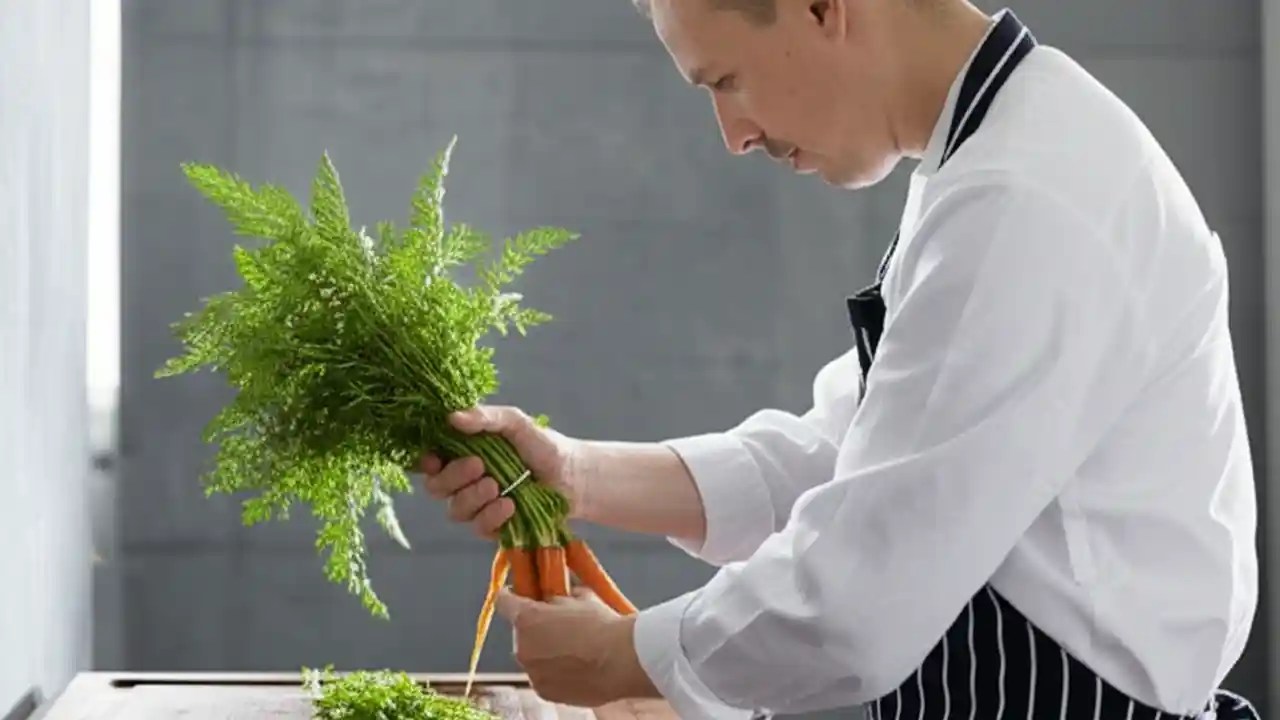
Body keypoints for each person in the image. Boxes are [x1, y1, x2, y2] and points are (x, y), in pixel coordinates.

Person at [420, 1, 1262, 717]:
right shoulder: (995, 150)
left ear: (824, 5)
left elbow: (862, 599)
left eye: (725, 81)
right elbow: (846, 455)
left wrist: (626, 657)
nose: (734, 135)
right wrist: (574, 473)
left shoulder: (1023, 196)